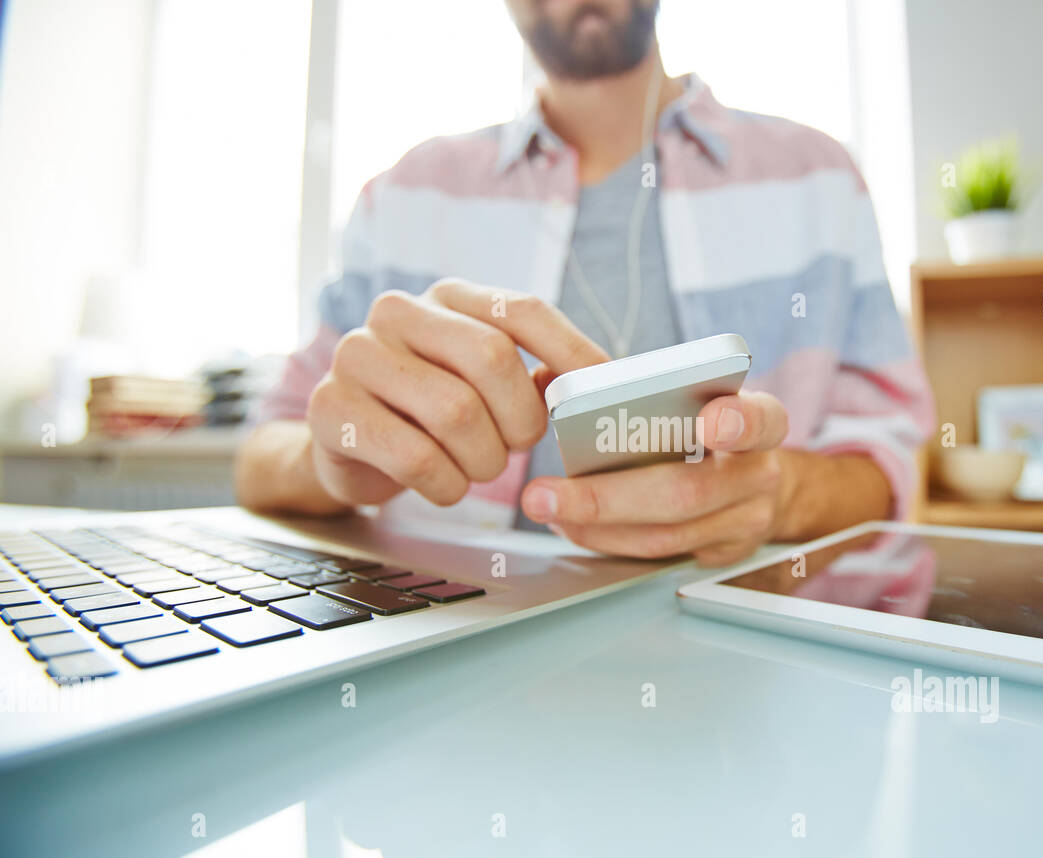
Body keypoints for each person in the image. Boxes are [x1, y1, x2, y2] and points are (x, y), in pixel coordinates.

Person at [235, 0, 934, 566]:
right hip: (446, 642)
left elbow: (893, 458)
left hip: (745, 655)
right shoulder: (405, 195)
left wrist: (781, 496)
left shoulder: (817, 178)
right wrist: (338, 460)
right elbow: (262, 455)